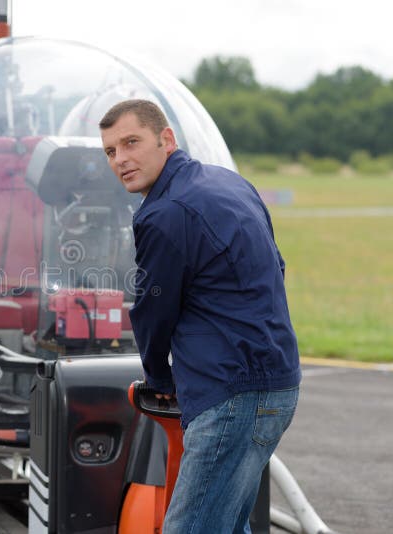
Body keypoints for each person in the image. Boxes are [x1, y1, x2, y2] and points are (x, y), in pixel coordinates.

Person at [99, 99, 301, 533]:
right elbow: (276, 267)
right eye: (111, 151)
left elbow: (154, 309)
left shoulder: (165, 212)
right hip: (278, 384)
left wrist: (159, 379)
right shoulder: (230, 183)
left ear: (166, 140)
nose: (121, 160)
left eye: (131, 142)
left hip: (232, 396)